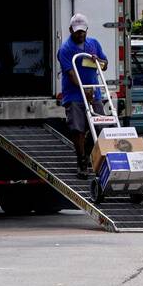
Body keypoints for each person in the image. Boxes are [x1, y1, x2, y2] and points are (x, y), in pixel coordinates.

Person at [56, 14, 108, 176]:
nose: (80, 35)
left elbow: (104, 65)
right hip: (74, 95)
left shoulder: (93, 44)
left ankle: (100, 159)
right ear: (71, 30)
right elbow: (71, 74)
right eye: (77, 32)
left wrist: (97, 60)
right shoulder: (65, 49)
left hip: (95, 92)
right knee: (77, 129)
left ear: (87, 30)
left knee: (101, 126)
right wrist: (83, 89)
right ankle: (82, 162)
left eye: (83, 32)